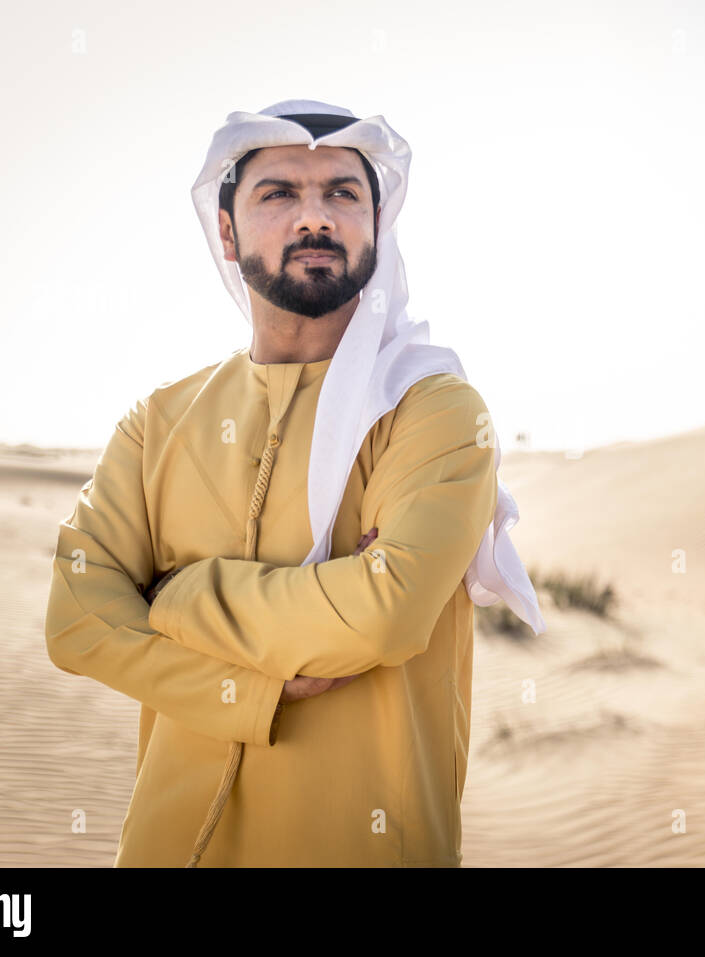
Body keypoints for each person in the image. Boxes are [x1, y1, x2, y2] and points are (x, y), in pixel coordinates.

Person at [44, 100, 544, 867]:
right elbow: (77, 619)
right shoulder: (158, 422)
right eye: (279, 193)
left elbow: (382, 615)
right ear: (226, 229)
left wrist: (173, 597)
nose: (316, 217)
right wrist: (251, 690)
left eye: (343, 193)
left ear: (379, 222)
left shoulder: (432, 409)